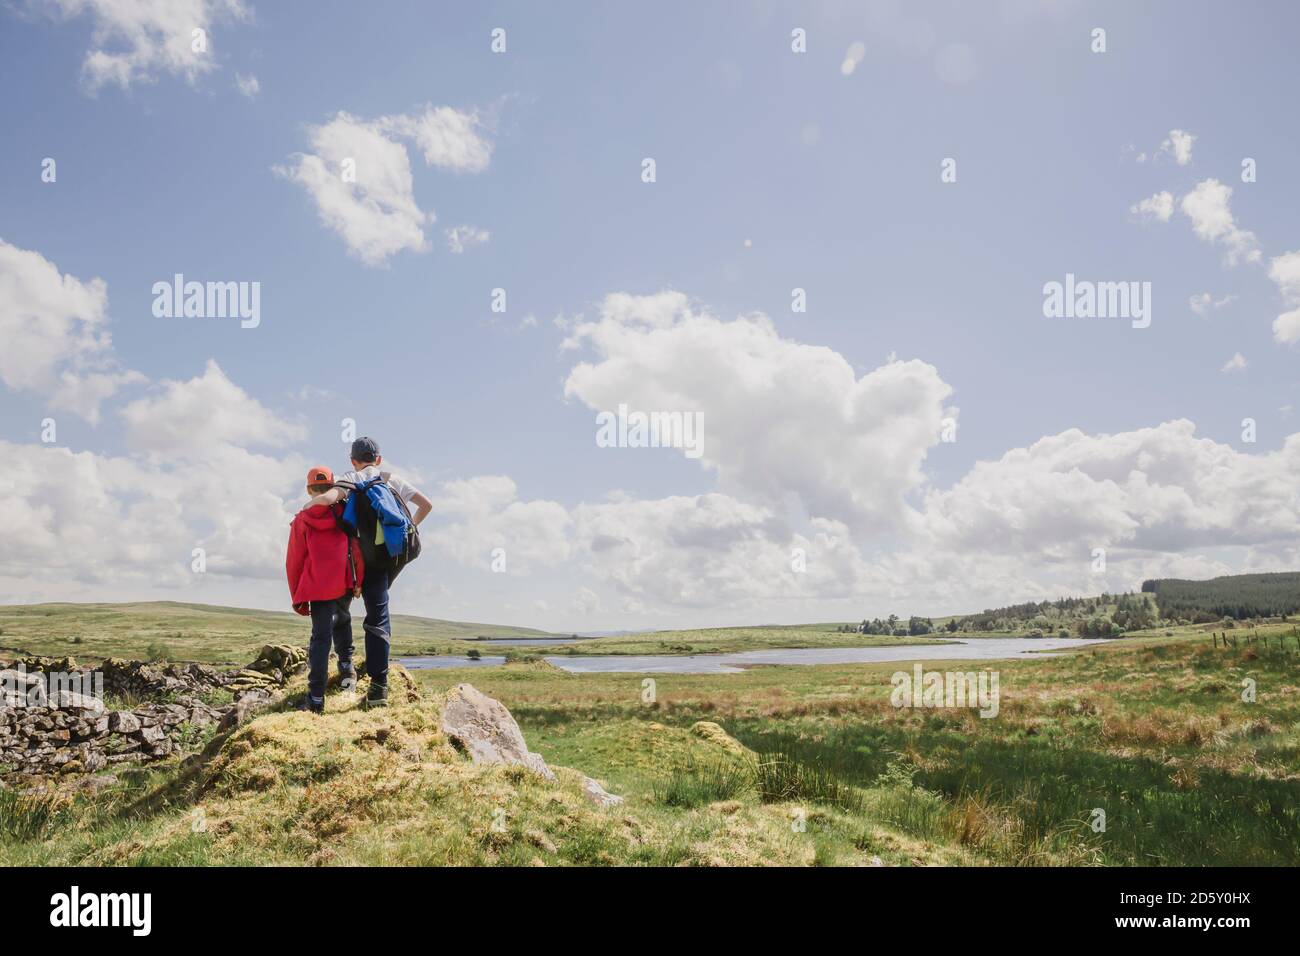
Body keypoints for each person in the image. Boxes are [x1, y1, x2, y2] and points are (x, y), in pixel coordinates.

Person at [302, 437, 431, 708]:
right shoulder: (391, 479)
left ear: (353, 460)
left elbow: (327, 499)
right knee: (378, 619)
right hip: (386, 561)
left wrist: (306, 508)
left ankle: (342, 671)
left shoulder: (351, 477)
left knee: (338, 614)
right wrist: (411, 527)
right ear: (379, 459)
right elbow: (426, 504)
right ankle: (378, 689)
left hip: (354, 562)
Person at [285, 465, 365, 714]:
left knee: (320, 639)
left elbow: (294, 560)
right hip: (342, 582)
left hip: (317, 587)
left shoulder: (302, 520)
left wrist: (297, 595)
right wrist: (357, 580)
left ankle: (316, 699)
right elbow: (356, 548)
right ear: (332, 487)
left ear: (310, 489)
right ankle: (347, 672)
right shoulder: (343, 513)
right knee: (342, 621)